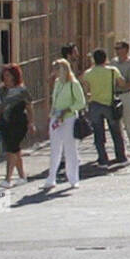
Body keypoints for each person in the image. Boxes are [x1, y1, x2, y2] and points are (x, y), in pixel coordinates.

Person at [43, 58, 86, 190]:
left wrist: (68, 110)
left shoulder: (73, 83)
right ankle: (51, 178)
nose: (54, 72)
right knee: (55, 149)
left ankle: (73, 178)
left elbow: (81, 102)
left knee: (70, 149)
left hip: (69, 118)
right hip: (56, 118)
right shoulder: (57, 83)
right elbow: (55, 100)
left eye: (57, 69)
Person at [82, 49, 126, 167]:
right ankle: (121, 156)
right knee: (116, 132)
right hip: (110, 104)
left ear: (93, 59)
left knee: (98, 133)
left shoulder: (88, 73)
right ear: (105, 58)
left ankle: (102, 158)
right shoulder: (112, 71)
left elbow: (86, 90)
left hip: (95, 104)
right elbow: (122, 83)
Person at [0, 63, 34, 189]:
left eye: (8, 75)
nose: (6, 78)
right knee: (15, 150)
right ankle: (22, 176)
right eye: (4, 75)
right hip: (6, 123)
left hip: (19, 123)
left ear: (14, 76)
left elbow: (29, 107)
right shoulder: (2, 91)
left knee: (11, 150)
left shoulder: (22, 91)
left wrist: (31, 123)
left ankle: (7, 179)